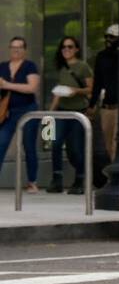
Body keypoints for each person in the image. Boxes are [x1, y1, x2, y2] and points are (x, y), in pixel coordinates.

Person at [47, 35, 93, 195]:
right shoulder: (61, 67)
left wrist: (76, 91)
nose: (66, 49)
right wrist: (50, 113)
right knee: (55, 143)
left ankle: (80, 179)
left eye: (70, 47)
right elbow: (58, 92)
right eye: (64, 47)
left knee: (75, 149)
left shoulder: (83, 66)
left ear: (77, 49)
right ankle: (57, 179)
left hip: (77, 113)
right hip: (61, 111)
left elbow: (90, 89)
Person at [0, 36, 41, 193]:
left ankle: (32, 182)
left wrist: (7, 84)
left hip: (27, 111)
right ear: (9, 49)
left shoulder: (29, 66)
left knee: (29, 146)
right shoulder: (2, 66)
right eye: (13, 47)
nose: (16, 50)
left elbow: (31, 88)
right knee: (1, 144)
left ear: (24, 50)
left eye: (19, 47)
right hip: (7, 113)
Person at [92, 24, 119, 156]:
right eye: (107, 37)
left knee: (117, 142)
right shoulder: (101, 56)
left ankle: (117, 175)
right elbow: (97, 81)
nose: (108, 40)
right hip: (107, 106)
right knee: (108, 143)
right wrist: (92, 104)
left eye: (112, 37)